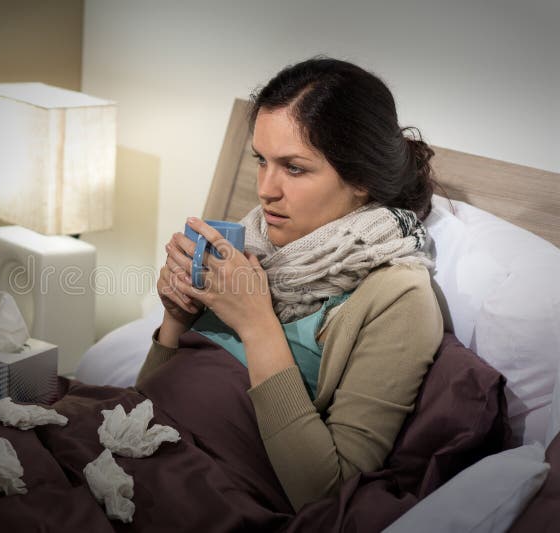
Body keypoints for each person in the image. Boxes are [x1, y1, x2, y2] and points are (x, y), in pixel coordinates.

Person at [136, 57, 444, 512]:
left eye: (294, 168)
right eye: (262, 161)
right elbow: (144, 402)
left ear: (360, 178)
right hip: (128, 446)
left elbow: (327, 494)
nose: (265, 189)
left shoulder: (398, 296)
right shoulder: (254, 243)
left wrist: (257, 324)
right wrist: (175, 321)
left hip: (198, 495)